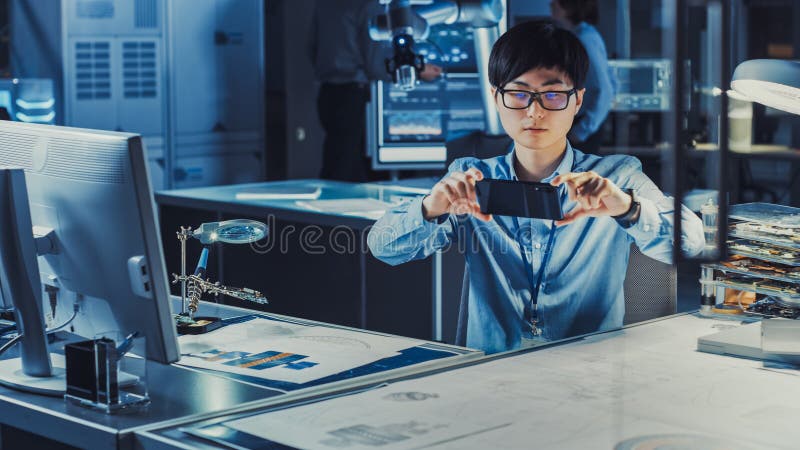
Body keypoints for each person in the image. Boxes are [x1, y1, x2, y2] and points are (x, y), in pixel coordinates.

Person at [367, 19, 704, 354]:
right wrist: (429, 207)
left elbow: (691, 243)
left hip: (588, 372)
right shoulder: (471, 178)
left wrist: (627, 208)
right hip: (492, 370)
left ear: (577, 100)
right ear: (496, 98)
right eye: (518, 94)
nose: (534, 111)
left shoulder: (616, 179)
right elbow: (382, 246)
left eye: (553, 94)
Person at [310, 0, 442, 182]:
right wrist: (418, 70)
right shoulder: (367, 6)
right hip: (352, 96)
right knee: (347, 170)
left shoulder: (325, 5)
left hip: (327, 94)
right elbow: (375, 66)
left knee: (338, 162)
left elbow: (311, 48)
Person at [550, 0, 614, 153]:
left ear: (568, 8)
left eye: (556, 3)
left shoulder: (584, 39)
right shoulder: (582, 35)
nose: (551, 5)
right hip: (579, 124)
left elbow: (605, 90)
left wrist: (581, 131)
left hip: (582, 127)